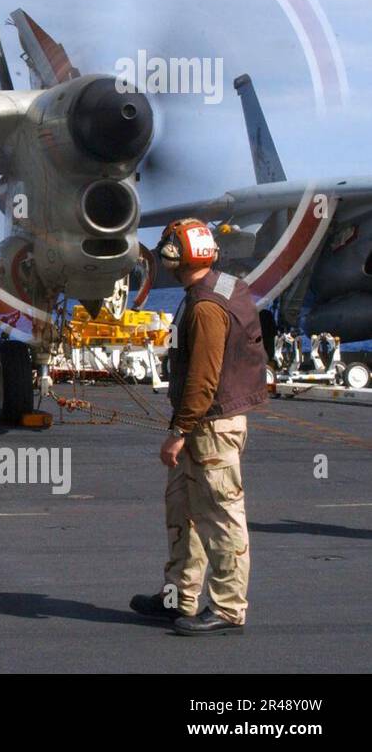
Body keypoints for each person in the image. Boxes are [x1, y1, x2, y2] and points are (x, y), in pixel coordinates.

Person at [130, 218, 268, 635]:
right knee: (184, 510)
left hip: (210, 427)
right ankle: (179, 596)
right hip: (208, 424)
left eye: (169, 246)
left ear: (182, 255)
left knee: (221, 516)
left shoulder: (205, 307)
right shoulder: (223, 286)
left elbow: (203, 379)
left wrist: (178, 433)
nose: (164, 252)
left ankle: (227, 608)